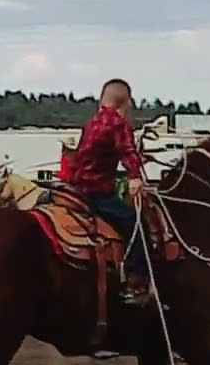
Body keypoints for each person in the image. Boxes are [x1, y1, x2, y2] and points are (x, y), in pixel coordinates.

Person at [64, 78, 151, 305]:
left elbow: (97, 153)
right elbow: (127, 151)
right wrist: (134, 175)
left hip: (75, 190)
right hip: (97, 192)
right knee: (136, 222)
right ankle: (136, 282)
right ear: (127, 102)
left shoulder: (92, 122)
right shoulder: (117, 122)